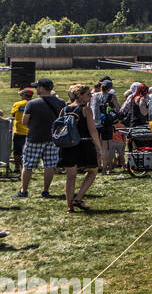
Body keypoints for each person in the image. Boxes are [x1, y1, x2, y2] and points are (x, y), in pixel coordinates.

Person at [15, 79, 65, 199]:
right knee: (49, 165)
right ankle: (45, 191)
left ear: (42, 88)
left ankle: (24, 191)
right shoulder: (61, 102)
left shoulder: (32, 103)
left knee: (28, 165)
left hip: (35, 137)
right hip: (53, 138)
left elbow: (24, 121)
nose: (36, 89)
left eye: (38, 87)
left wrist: (33, 127)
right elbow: (62, 120)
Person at [58, 84, 103, 213]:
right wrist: (99, 148)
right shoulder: (86, 110)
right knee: (92, 171)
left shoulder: (64, 109)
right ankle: (78, 198)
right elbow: (92, 130)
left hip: (68, 145)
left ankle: (69, 206)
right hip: (84, 144)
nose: (90, 96)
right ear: (80, 95)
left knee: (70, 177)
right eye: (88, 94)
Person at [11, 87, 32, 172]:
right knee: (29, 151)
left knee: (17, 151)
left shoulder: (17, 104)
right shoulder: (34, 104)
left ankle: (17, 167)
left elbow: (13, 114)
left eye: (21, 94)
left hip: (19, 131)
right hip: (30, 131)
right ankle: (27, 167)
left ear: (24, 95)